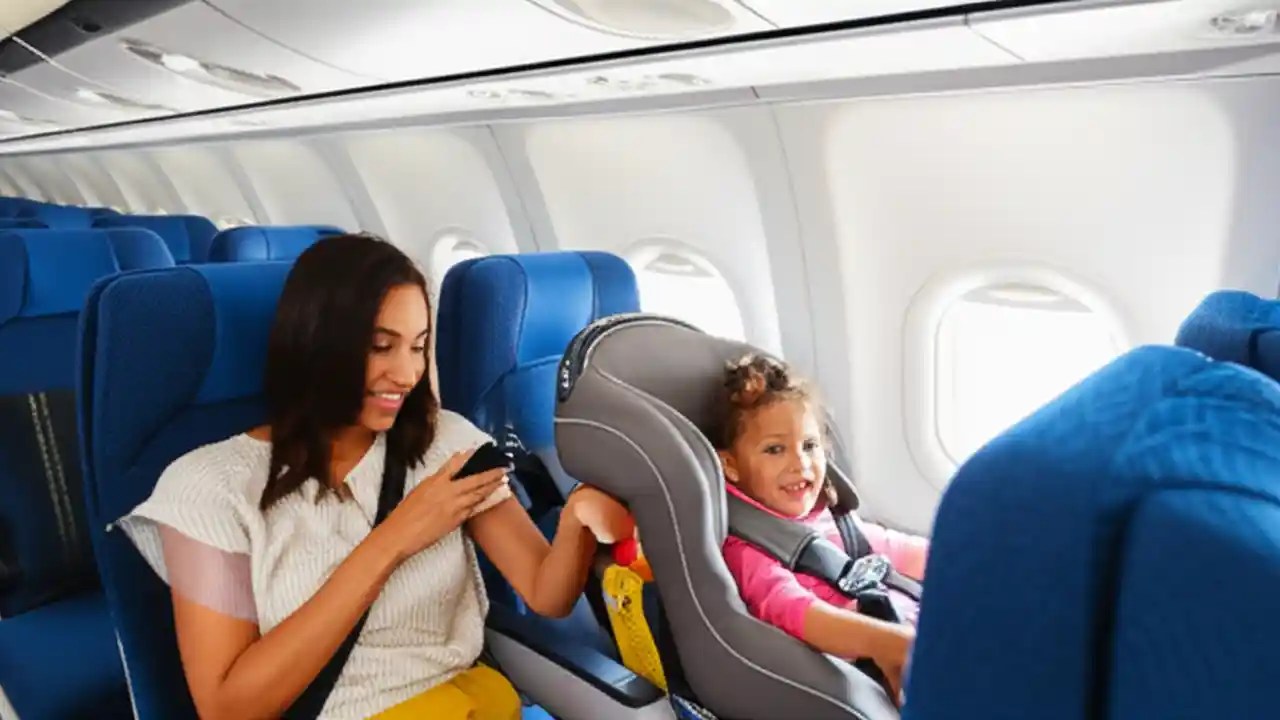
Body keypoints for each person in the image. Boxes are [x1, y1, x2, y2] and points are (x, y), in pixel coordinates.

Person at [118, 233, 633, 720]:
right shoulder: (207, 486)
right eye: (380, 346)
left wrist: (576, 520)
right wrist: (394, 540)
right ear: (316, 345)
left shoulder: (448, 445)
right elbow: (229, 708)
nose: (407, 375)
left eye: (417, 346)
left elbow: (546, 594)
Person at [717, 354, 928, 704]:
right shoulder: (747, 548)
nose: (799, 463)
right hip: (870, 667)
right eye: (775, 449)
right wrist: (888, 643)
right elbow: (797, 612)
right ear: (731, 465)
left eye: (810, 446)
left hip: (914, 633)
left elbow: (897, 549)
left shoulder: (830, 517)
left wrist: (965, 557)